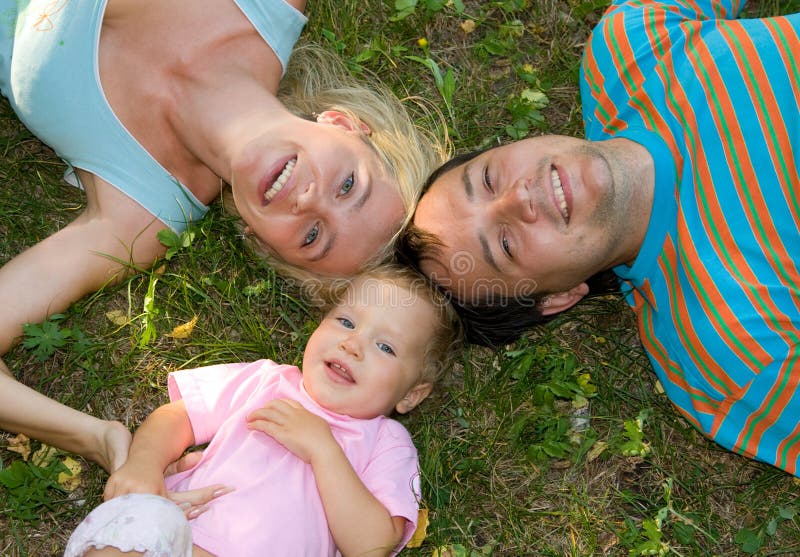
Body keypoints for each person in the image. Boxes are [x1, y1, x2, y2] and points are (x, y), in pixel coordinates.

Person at [0, 0, 446, 472]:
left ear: (258, 240)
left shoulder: (140, 217)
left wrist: (97, 438)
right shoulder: (266, 7)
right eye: (348, 185)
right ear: (344, 124)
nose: (309, 200)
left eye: (313, 235)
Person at [400, 0, 800, 475]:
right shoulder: (730, 345)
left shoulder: (628, 50)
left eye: (487, 179)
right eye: (504, 245)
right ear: (558, 298)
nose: (516, 199)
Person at [63, 264, 463, 557]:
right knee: (140, 519)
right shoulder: (265, 382)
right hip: (176, 536)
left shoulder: (387, 442)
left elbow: (372, 545)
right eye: (345, 321)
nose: (353, 345)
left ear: (411, 395)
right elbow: (177, 416)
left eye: (385, 347)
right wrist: (145, 465)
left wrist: (324, 451)